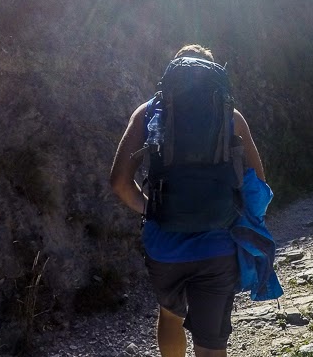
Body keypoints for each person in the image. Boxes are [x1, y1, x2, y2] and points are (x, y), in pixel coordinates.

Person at [109, 44, 266, 357]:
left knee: (170, 314)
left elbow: (119, 183)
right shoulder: (231, 116)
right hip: (218, 246)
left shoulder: (148, 111)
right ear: (212, 77)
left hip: (164, 246)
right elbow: (258, 185)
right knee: (211, 343)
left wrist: (153, 210)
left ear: (173, 73)